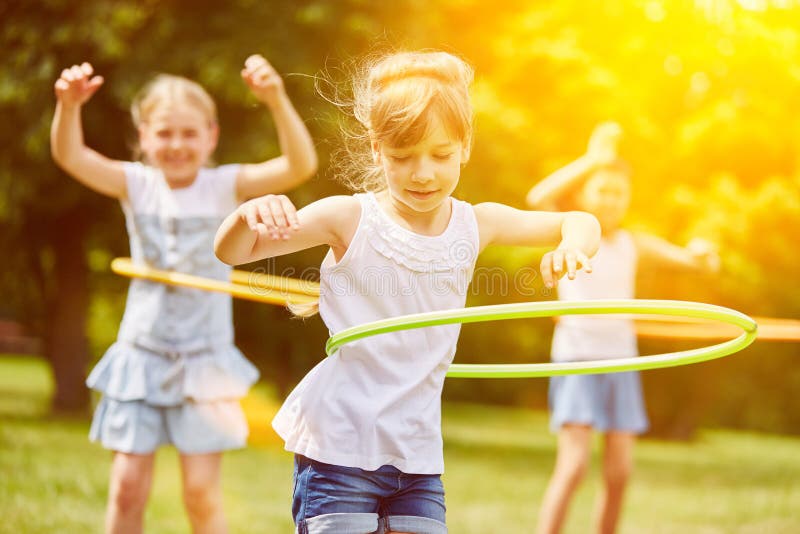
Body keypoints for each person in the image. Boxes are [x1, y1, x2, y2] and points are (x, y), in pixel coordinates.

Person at [214, 50, 601, 534]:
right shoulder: (348, 217)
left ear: (464, 146)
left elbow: (580, 220)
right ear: (377, 149)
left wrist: (572, 247)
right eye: (403, 157)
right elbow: (234, 251)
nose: (423, 173)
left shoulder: (477, 223)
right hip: (340, 447)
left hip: (416, 457)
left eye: (440, 155)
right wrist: (247, 213)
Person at [50, 55, 317, 534]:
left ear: (211, 136)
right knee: (127, 487)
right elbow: (71, 157)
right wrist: (68, 107)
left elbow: (300, 165)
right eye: (165, 133)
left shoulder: (225, 185)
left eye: (190, 133)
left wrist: (275, 99)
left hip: (204, 361)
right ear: (145, 139)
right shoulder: (136, 184)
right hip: (143, 355)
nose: (177, 144)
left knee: (200, 492)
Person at [526, 121, 720, 534]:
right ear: (583, 194)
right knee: (574, 466)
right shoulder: (568, 232)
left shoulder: (634, 244)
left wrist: (703, 253)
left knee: (620, 473)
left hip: (620, 362)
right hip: (576, 361)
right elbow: (537, 196)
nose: (611, 200)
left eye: (619, 193)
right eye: (602, 190)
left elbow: (689, 259)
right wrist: (593, 159)